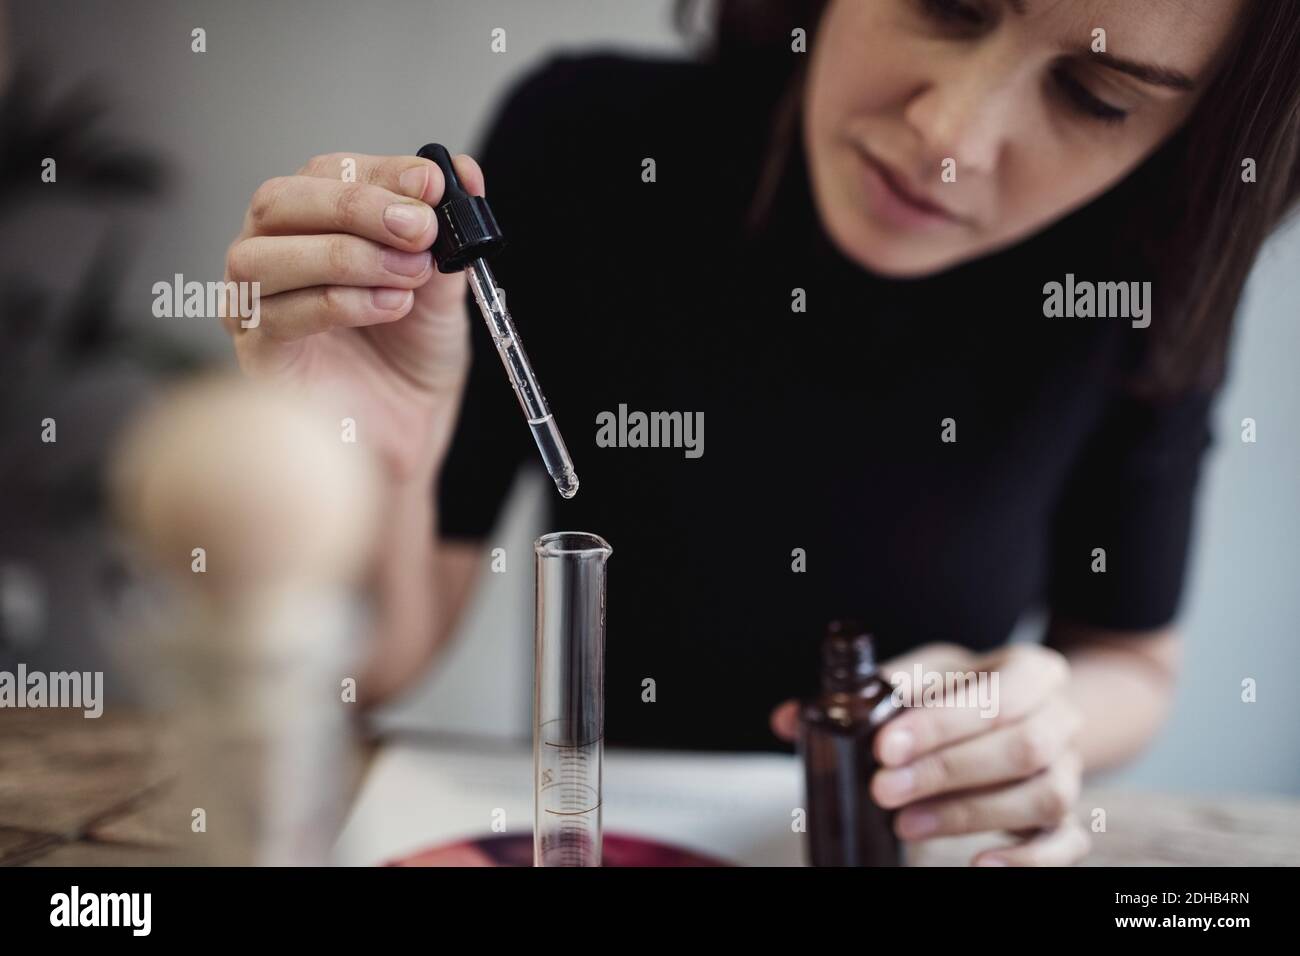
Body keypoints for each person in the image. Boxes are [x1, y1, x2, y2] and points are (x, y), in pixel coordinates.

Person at [223, 0, 1300, 865]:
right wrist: (353, 461)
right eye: (947, 6)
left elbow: (1130, 662)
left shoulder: (1143, 280)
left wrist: (1035, 718)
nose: (952, 135)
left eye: (1096, 95)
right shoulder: (588, 148)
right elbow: (375, 670)